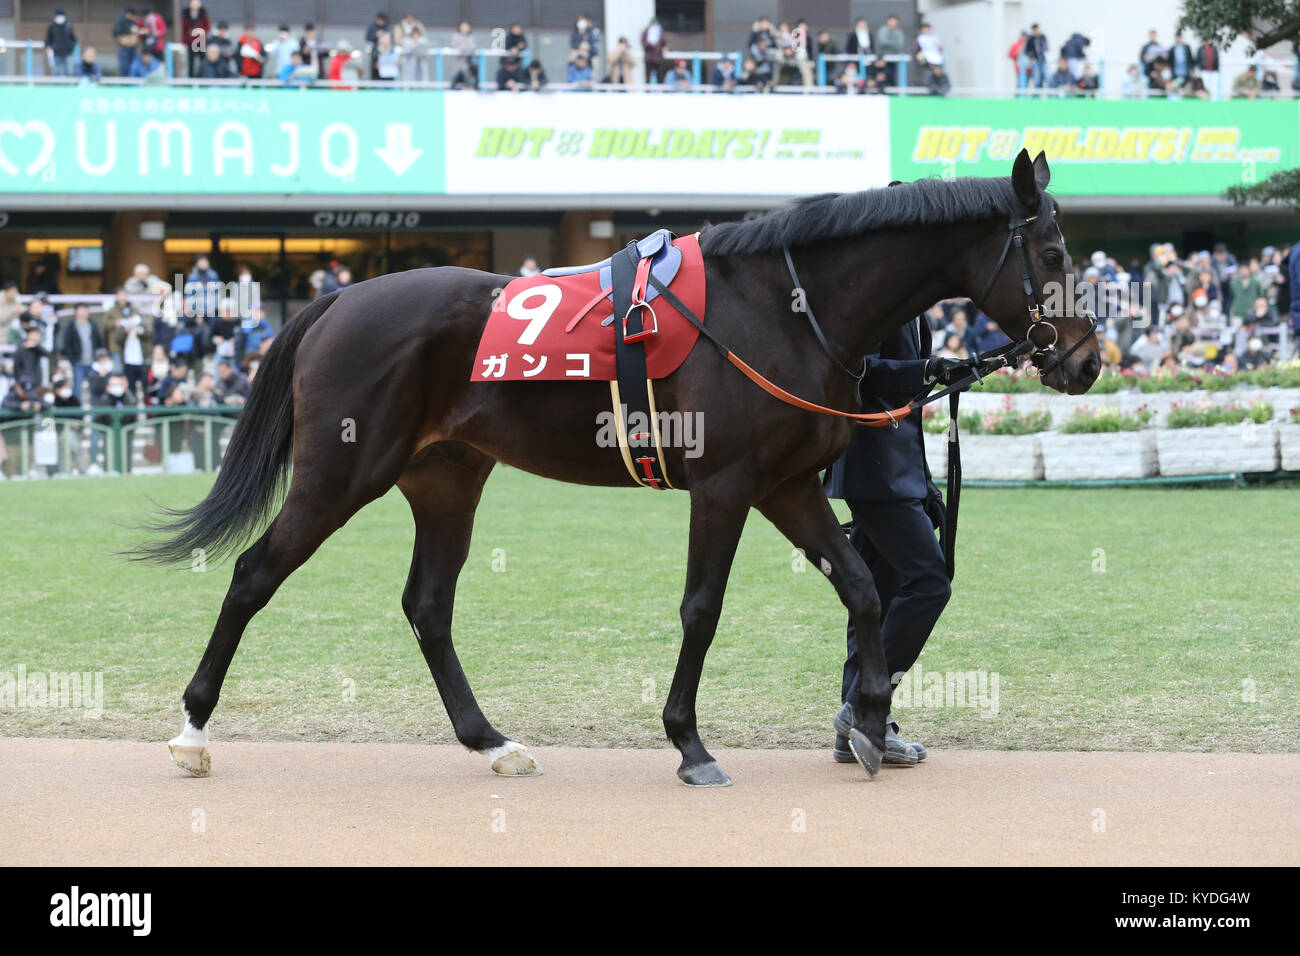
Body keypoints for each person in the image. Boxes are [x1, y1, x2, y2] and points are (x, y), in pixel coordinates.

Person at [824, 314, 960, 767]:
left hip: (894, 474)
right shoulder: (886, 290)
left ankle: (859, 733)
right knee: (930, 584)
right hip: (874, 471)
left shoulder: (915, 301)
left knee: (874, 599)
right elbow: (862, 373)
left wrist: (924, 486)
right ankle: (866, 704)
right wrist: (929, 368)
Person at [61, 304, 104, 398]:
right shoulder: (71, 325)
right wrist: (72, 359)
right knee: (77, 387)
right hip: (78, 362)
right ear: (76, 312)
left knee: (95, 387)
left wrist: (99, 359)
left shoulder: (93, 324)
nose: (83, 313)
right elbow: (67, 344)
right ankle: (77, 411)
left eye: (85, 310)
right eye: (81, 310)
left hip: (93, 362)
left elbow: (99, 342)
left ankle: (95, 410)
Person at [45, 9, 78, 76]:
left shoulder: (68, 26)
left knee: (68, 72)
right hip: (56, 53)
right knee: (55, 72)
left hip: (67, 54)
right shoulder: (51, 27)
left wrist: (70, 48)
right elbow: (48, 39)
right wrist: (48, 46)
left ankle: (68, 86)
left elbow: (73, 39)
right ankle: (55, 85)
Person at [181, 0, 210, 77]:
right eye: (193, 3)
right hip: (190, 41)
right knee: (191, 61)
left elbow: (207, 27)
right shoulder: (186, 15)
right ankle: (191, 78)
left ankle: (203, 76)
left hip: (201, 41)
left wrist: (200, 32)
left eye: (197, 3)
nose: (195, 5)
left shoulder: (203, 14)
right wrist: (184, 42)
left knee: (203, 60)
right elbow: (183, 30)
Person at [112, 7, 140, 77]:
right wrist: (124, 38)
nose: (134, 17)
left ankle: (133, 83)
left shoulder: (134, 22)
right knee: (124, 67)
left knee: (134, 66)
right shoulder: (120, 21)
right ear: (128, 14)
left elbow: (137, 34)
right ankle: (124, 85)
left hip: (133, 47)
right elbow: (115, 33)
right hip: (124, 48)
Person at [642, 17, 667, 84]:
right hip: (649, 58)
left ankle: (661, 91)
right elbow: (643, 42)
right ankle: (648, 92)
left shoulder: (660, 31)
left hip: (658, 58)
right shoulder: (646, 31)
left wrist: (665, 47)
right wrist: (650, 44)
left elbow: (665, 42)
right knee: (648, 77)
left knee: (660, 76)